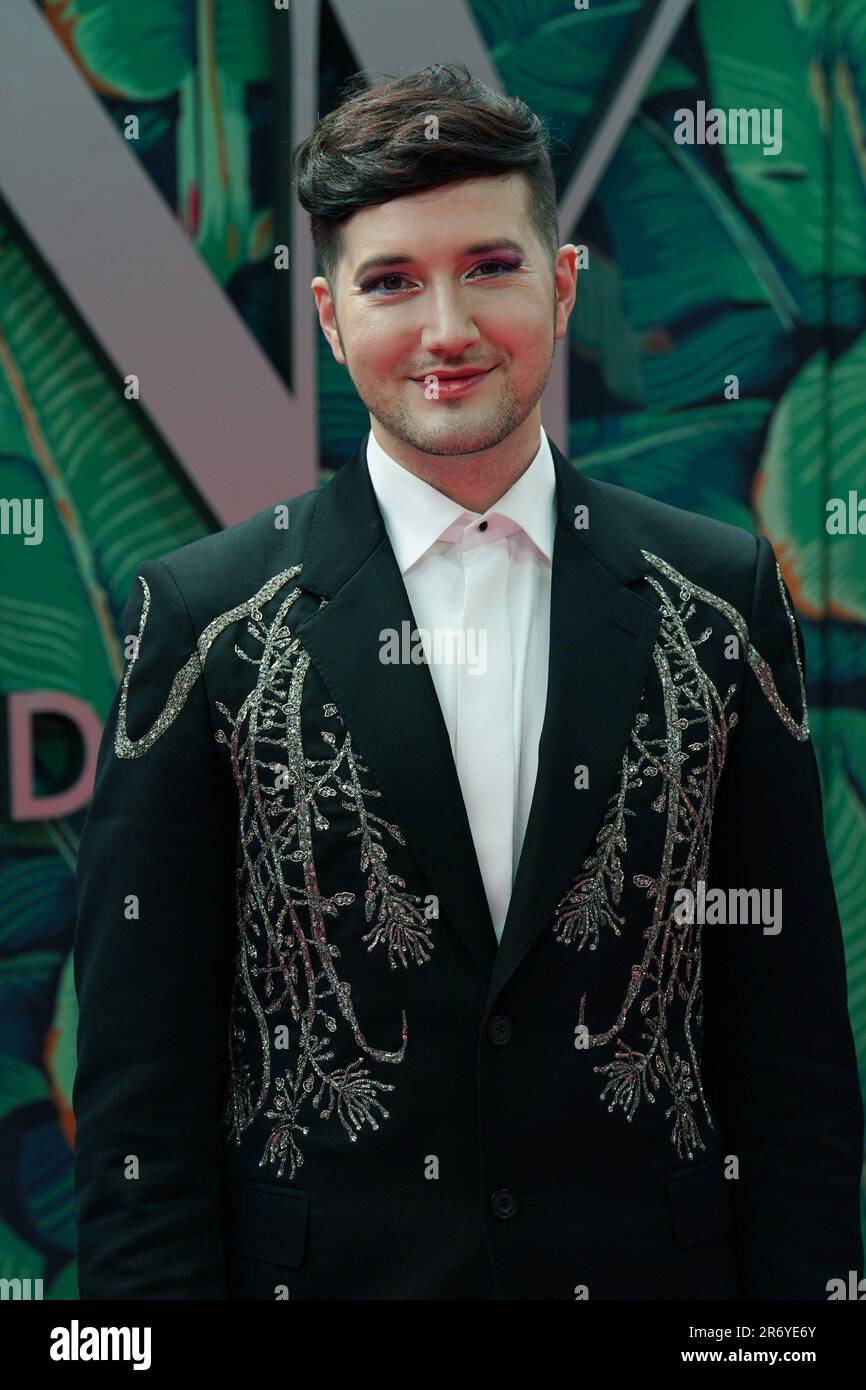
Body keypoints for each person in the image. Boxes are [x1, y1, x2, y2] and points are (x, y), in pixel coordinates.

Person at [73, 62, 863, 1300]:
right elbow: (138, 1102)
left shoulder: (717, 597)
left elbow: (792, 1052)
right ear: (330, 320)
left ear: (557, 286)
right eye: (391, 282)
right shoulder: (209, 620)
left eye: (488, 268)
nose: (446, 329)